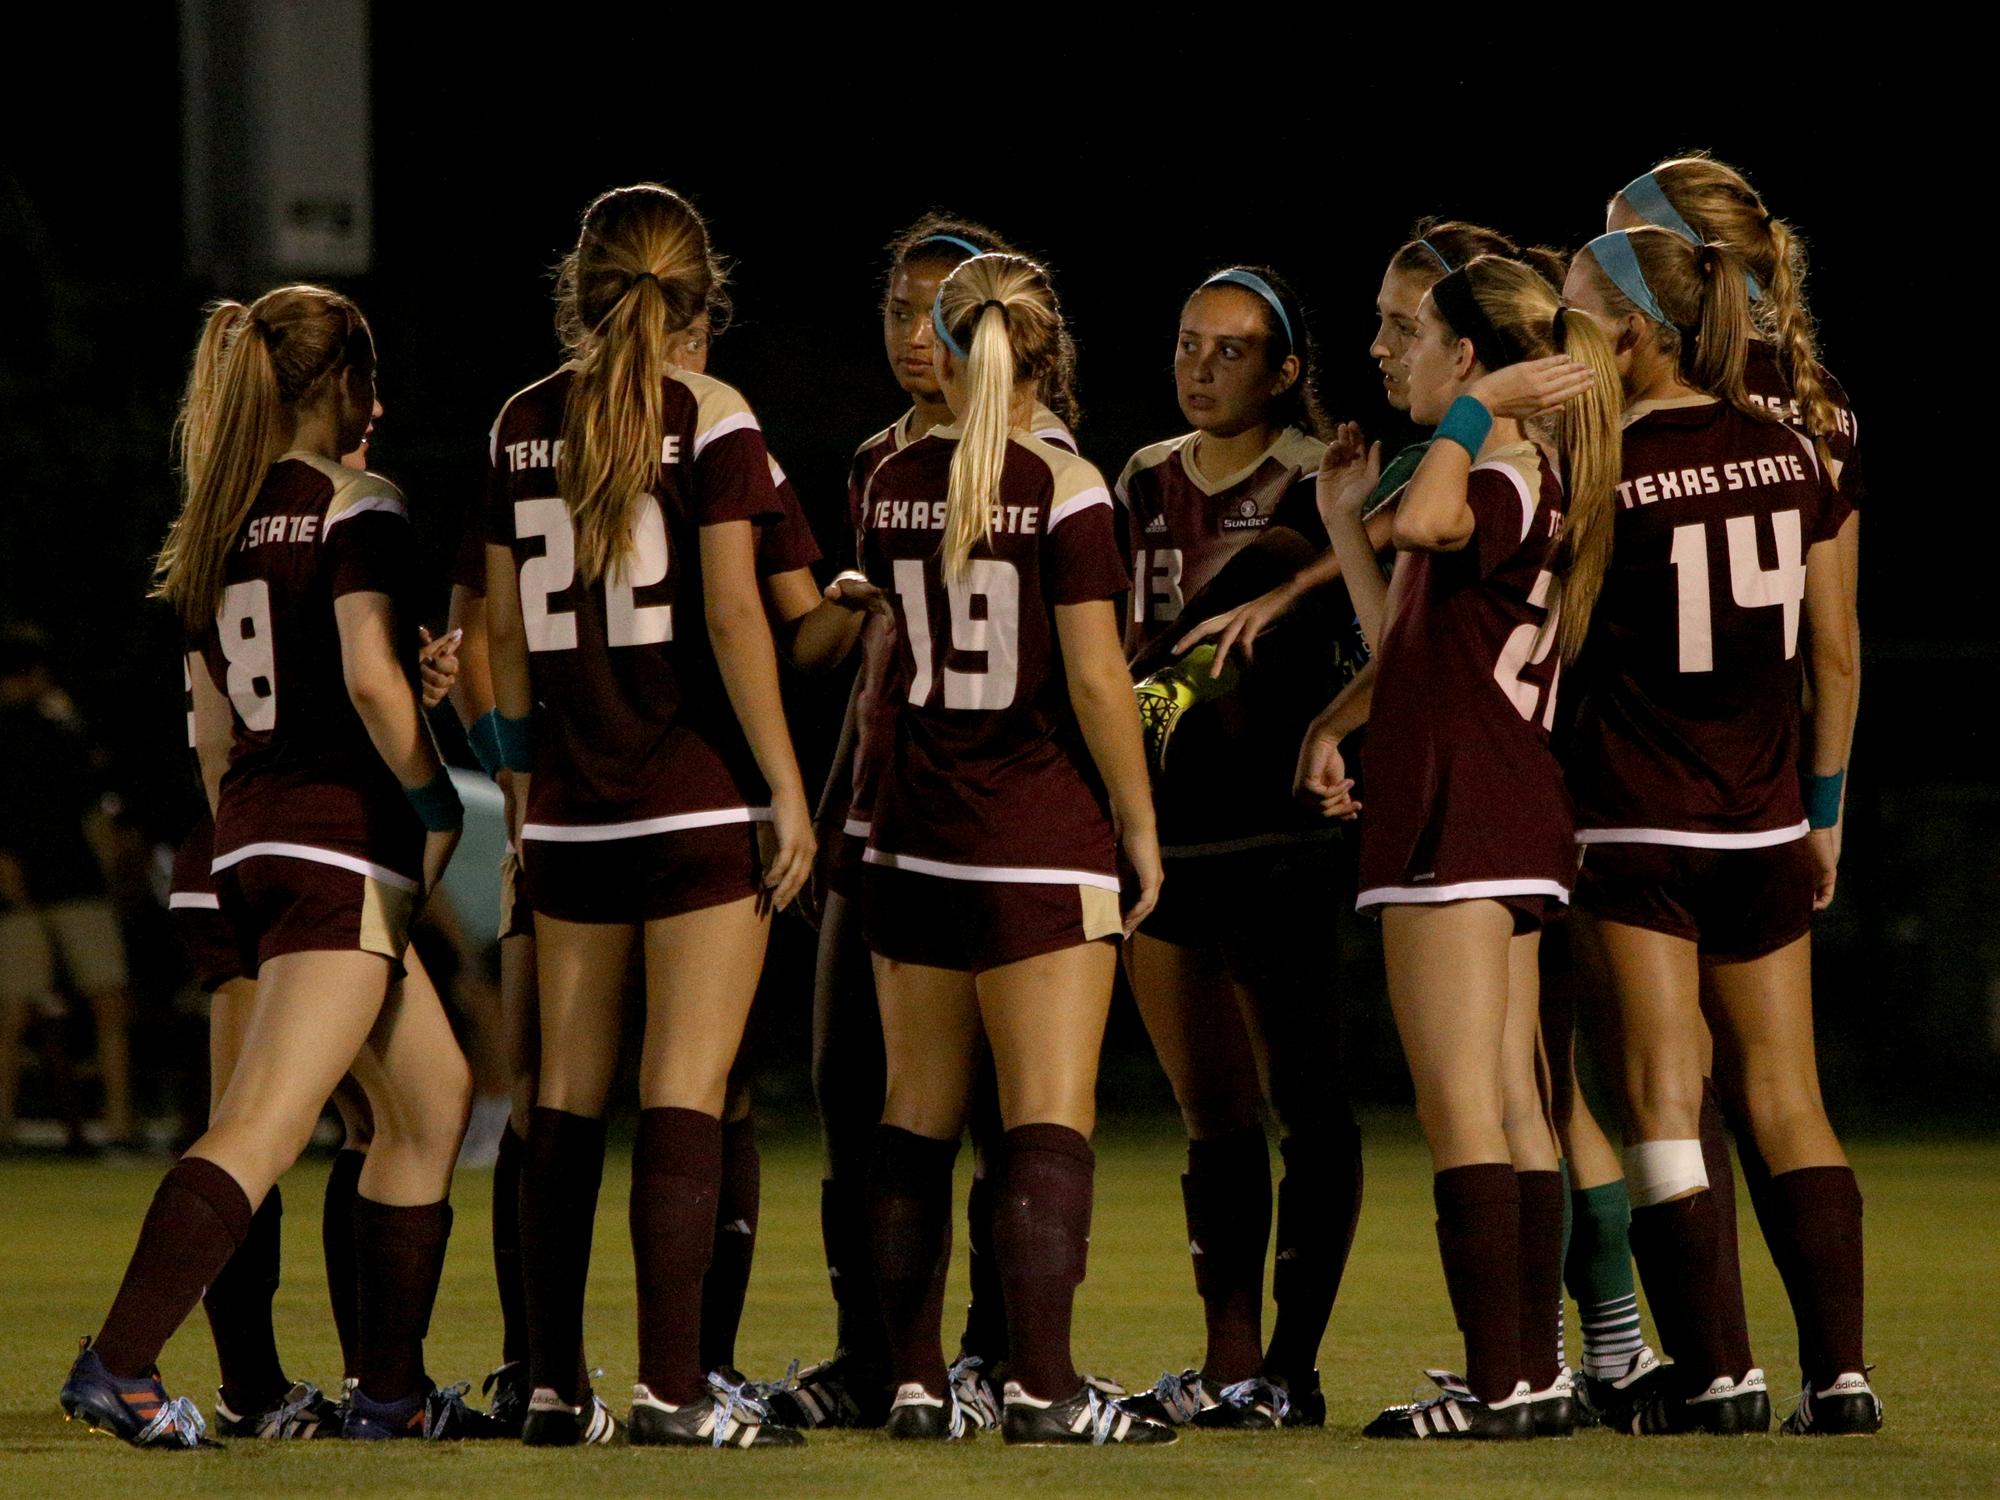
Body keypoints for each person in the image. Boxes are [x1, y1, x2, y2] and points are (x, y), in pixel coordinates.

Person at [60, 284, 479, 1447]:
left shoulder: (221, 517)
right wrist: (433, 800)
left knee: (429, 1102)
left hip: (246, 833)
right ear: (339, 384)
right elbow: (365, 678)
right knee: (262, 1125)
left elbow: (211, 726)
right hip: (332, 839)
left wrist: (252, 832)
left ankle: (389, 1398)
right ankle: (122, 1364)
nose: (381, 405)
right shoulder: (361, 502)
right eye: (369, 380)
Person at [482, 183, 812, 1449]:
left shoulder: (519, 420)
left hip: (567, 808)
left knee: (562, 1092)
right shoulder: (710, 412)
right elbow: (735, 617)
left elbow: (506, 635)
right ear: (698, 300)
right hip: (686, 798)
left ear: (581, 287)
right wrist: (783, 784)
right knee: (684, 1083)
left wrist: (520, 797)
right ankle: (674, 1389)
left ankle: (556, 1389)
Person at [1300, 253, 1622, 1438]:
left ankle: (1501, 1383)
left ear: (1467, 356)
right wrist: (1343, 523)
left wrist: (1485, 407)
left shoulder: (1495, 464)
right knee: (1510, 1102)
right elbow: (1407, 652)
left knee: (1464, 1109)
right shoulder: (1525, 477)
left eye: (1410, 334)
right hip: (1502, 808)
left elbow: (1432, 514)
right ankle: (1526, 1376)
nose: (1388, 353)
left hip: (1460, 816)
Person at [1560, 226, 1875, 1435]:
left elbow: (1551, 647)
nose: (1565, 337)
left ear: (1638, 332)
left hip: (1635, 824)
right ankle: (1839, 1378)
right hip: (1762, 828)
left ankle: (1714, 1375)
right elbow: (1826, 652)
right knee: (1786, 1094)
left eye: (1581, 314)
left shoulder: (1598, 472)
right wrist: (1819, 807)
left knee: (1656, 1096)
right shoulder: (1791, 451)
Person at [857, 250, 1171, 1446]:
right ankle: (1043, 1387)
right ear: (1049, 353)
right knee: (1046, 1117)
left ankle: (914, 1381)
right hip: (1034, 831)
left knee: (913, 1117)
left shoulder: (889, 478)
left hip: (913, 834)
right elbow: (1096, 678)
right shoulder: (1069, 485)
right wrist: (1138, 833)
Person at [776, 215, 1080, 1433]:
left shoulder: (1037, 461)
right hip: (887, 807)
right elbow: (875, 662)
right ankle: (883, 1355)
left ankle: (987, 1356)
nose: (912, 336)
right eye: (897, 312)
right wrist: (832, 800)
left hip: (981, 813)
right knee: (857, 1090)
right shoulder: (879, 463)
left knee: (993, 1106)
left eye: (932, 314)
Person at [1109, 265, 1364, 1431]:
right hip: (1169, 833)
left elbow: (1384, 608)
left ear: (1284, 368)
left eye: (1230, 349)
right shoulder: (1142, 478)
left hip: (1283, 830)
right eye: (1187, 344)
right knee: (1208, 1113)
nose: (1201, 368)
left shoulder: (1327, 478)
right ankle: (1230, 1363)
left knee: (1305, 1103)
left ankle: (1293, 1368)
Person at [0, 627, 138, 1149]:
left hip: (18, 891)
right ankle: (120, 1122)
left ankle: (4, 1127)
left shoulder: (42, 729)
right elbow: (93, 814)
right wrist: (113, 877)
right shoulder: (61, 730)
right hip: (76, 884)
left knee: (10, 1015)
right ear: (35, 674)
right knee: (108, 1008)